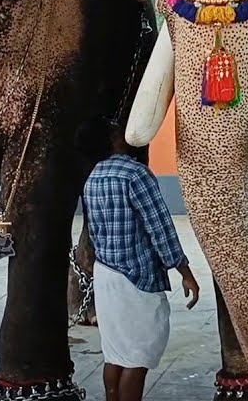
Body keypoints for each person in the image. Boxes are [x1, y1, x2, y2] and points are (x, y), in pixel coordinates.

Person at [80, 117, 199, 401]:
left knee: (116, 353)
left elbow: (92, 231)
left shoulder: (93, 175)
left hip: (106, 273)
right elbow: (160, 228)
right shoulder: (136, 175)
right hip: (137, 277)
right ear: (121, 139)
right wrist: (185, 271)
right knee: (138, 356)